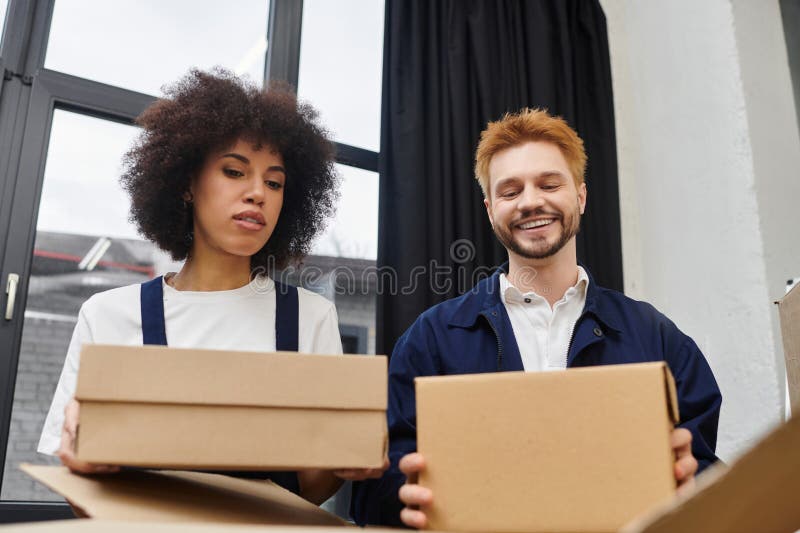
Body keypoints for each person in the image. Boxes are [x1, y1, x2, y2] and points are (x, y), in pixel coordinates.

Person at [352, 108, 721, 527]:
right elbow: (371, 492)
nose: (531, 202)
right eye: (511, 192)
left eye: (549, 184)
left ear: (580, 196)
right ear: (491, 210)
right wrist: (402, 496)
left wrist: (694, 487)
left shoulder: (657, 338)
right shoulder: (430, 339)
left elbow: (709, 472)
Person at [38, 68, 385, 505]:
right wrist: (85, 468)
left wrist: (347, 459)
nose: (258, 193)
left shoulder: (311, 317)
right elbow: (81, 492)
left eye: (274, 182)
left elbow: (311, 490)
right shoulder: (106, 315)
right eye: (234, 172)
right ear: (186, 184)